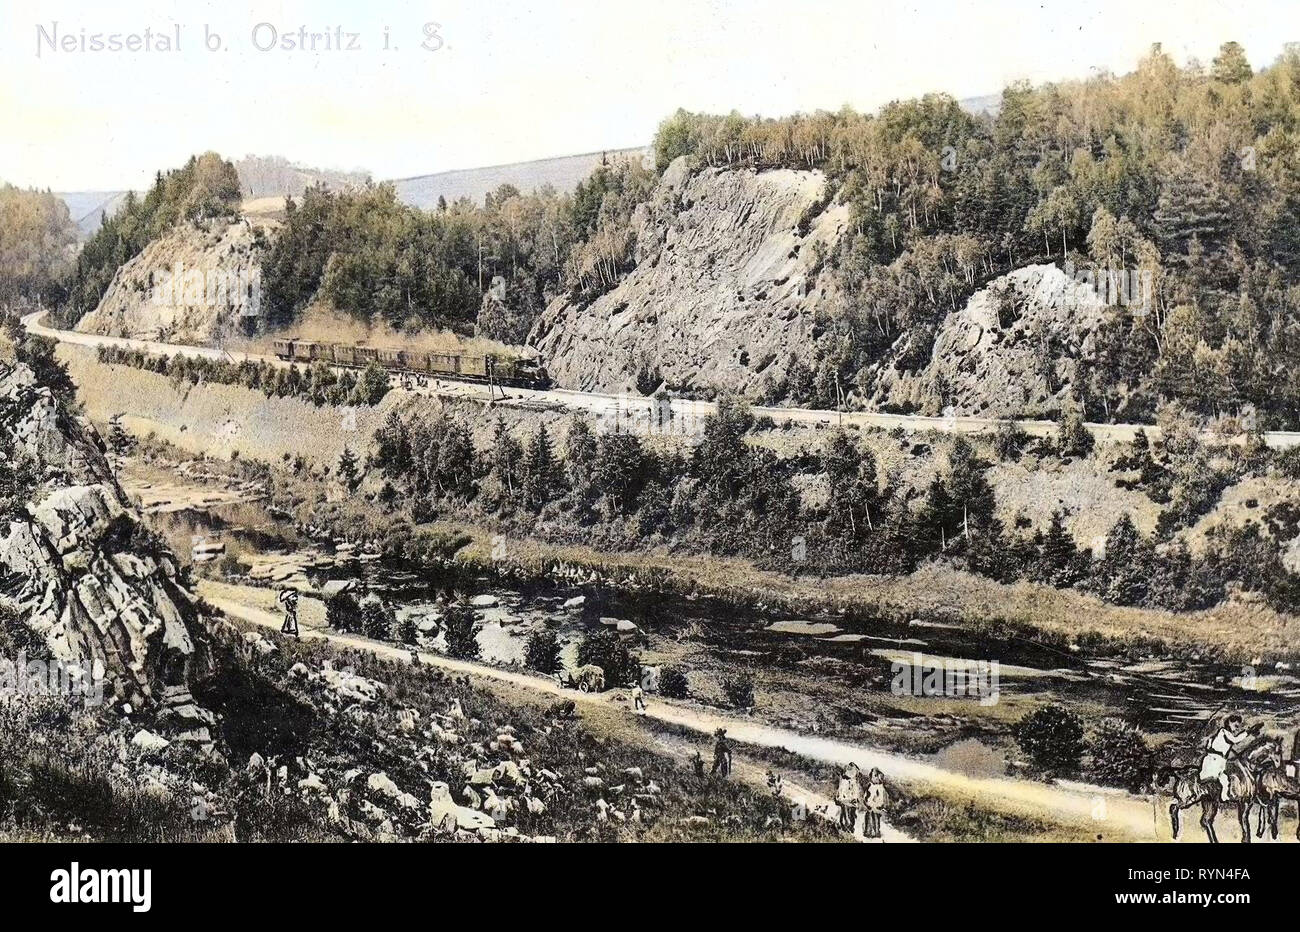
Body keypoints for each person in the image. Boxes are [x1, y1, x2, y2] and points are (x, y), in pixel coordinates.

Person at [1200, 714, 1262, 801]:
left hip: (1220, 761)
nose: (1237, 728)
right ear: (1229, 722)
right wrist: (1248, 731)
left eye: (1238, 727)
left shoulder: (1227, 734)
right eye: (1236, 725)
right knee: (1213, 779)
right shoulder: (1224, 732)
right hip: (1213, 761)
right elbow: (1235, 740)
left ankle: (1224, 798)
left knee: (1225, 781)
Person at [836, 763, 863, 834]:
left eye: (854, 772)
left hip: (851, 801)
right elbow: (841, 791)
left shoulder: (854, 782)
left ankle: (851, 826)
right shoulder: (844, 781)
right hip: (844, 800)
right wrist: (841, 798)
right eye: (851, 771)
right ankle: (844, 824)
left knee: (852, 813)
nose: (853, 774)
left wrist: (855, 798)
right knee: (845, 811)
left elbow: (856, 792)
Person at [864, 768, 888, 839]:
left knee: (876, 819)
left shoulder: (881, 787)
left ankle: (877, 832)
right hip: (870, 805)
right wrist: (867, 803)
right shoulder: (870, 786)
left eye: (875, 776)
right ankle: (868, 831)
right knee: (869, 818)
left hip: (877, 806)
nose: (874, 778)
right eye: (872, 776)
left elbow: (883, 797)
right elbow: (866, 796)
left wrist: (881, 805)